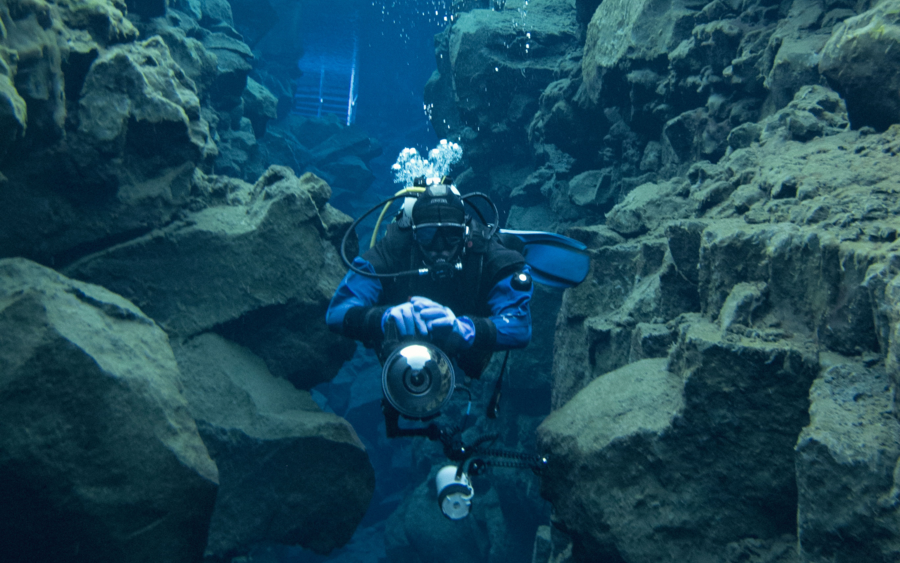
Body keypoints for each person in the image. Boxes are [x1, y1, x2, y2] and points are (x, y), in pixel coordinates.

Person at [326, 178, 533, 379]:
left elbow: (520, 325)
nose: (440, 247)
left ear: (465, 233)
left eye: (451, 234)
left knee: (473, 362)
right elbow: (337, 311)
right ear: (414, 235)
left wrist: (465, 329)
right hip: (406, 345)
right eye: (428, 235)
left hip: (466, 339)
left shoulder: (487, 253)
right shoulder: (394, 248)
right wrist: (385, 317)